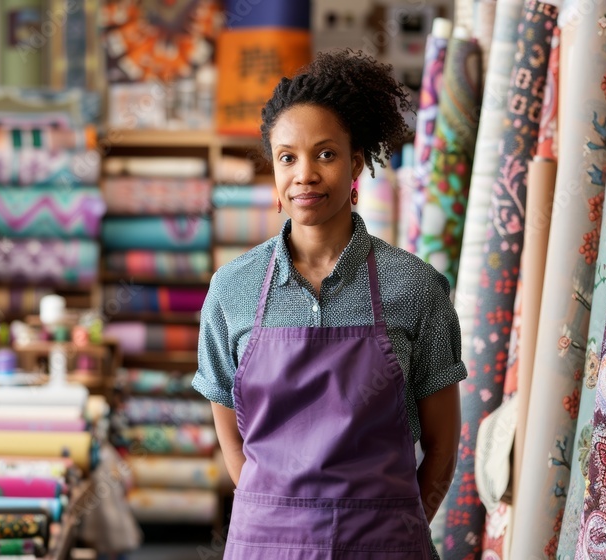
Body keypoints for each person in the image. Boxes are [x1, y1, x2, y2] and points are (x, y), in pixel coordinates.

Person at [193, 50, 465, 559]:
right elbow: (232, 442)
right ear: (273, 169)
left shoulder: (417, 288)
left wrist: (396, 530)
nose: (305, 175)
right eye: (287, 157)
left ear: (356, 163)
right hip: (266, 545)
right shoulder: (231, 290)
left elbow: (443, 447)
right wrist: (277, 519)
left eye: (326, 154)